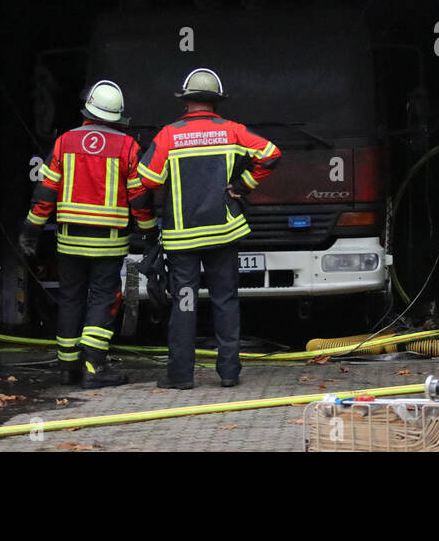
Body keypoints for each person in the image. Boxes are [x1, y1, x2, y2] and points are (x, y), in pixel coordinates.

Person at [137, 68, 280, 390]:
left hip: (183, 237)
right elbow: (271, 154)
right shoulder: (233, 131)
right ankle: (229, 373)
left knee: (184, 302)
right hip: (224, 232)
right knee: (225, 300)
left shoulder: (169, 135)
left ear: (186, 101)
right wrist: (243, 184)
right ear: (216, 102)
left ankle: (181, 376)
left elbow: (148, 180)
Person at [22, 80, 157, 388]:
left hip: (69, 239)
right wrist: (150, 233)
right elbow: (139, 199)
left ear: (89, 110)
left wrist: (31, 229)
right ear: (117, 116)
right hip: (108, 242)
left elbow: (45, 192)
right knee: (102, 298)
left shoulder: (64, 142)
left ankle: (68, 368)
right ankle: (94, 368)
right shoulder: (128, 147)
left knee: (70, 298)